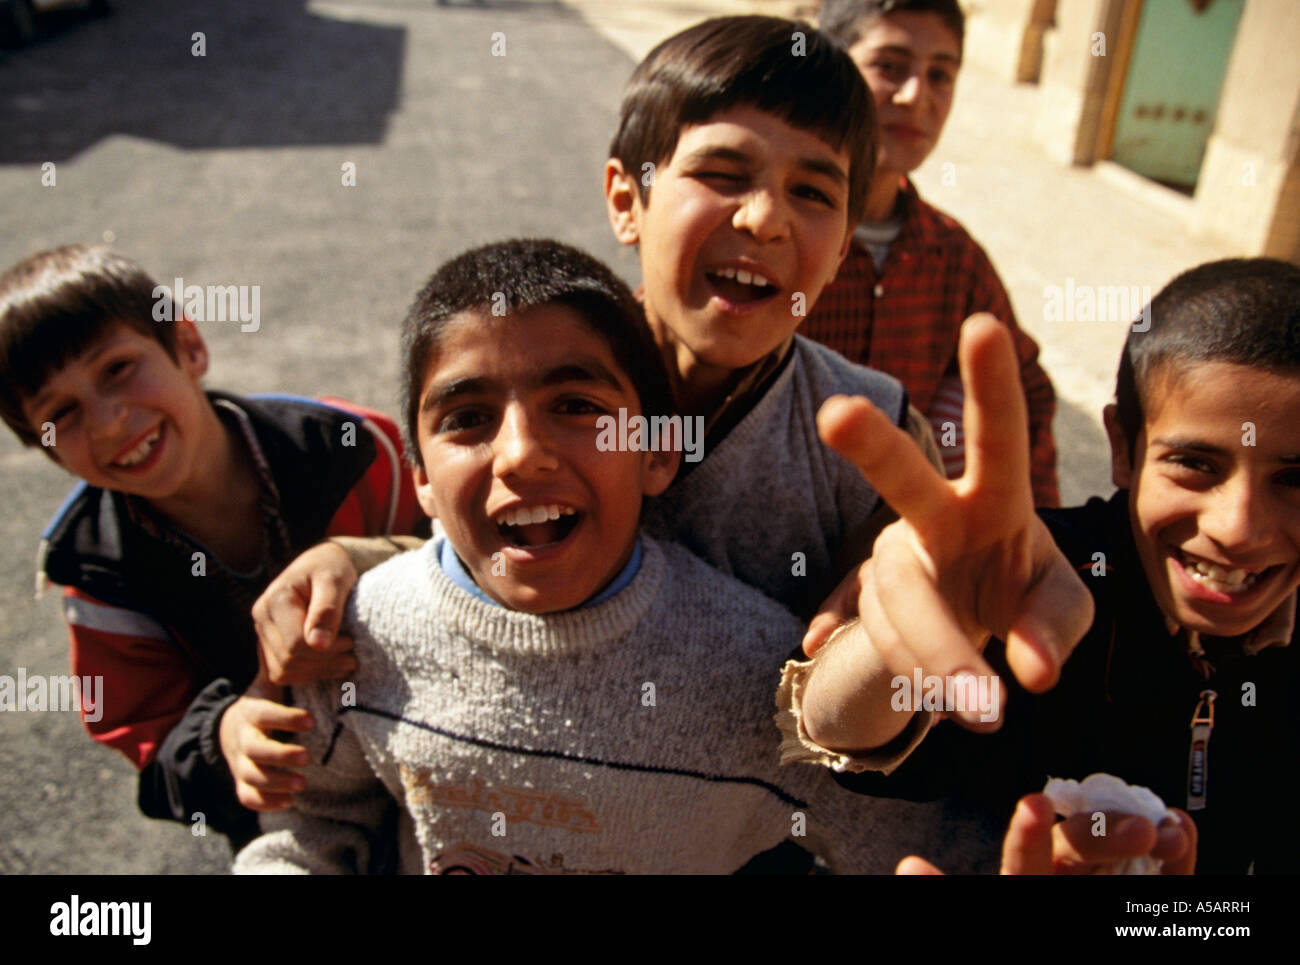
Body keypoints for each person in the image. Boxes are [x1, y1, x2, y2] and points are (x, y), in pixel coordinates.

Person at [247, 17, 1093, 867]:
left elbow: (825, 721)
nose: (763, 218)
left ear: (841, 248)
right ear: (626, 198)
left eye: (814, 192)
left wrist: (907, 629)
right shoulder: (537, 349)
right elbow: (459, 543)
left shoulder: (871, 441)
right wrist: (354, 563)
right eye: (723, 174)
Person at [233, 239, 927, 874]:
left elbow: (909, 839)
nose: (522, 453)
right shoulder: (356, 636)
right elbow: (310, 825)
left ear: (656, 451)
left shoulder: (753, 677)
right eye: (468, 418)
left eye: (574, 403)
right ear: (421, 479)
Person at [794, 258, 1299, 873]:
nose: (1238, 528)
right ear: (1122, 447)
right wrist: (903, 626)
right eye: (1196, 464)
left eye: (1294, 480)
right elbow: (838, 737)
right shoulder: (1034, 584)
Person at [0, 244, 424, 847]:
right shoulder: (98, 577)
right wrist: (224, 736)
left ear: (188, 347)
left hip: (439, 750)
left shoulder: (353, 449)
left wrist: (360, 557)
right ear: (45, 447)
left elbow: (476, 560)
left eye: (117, 369)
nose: (107, 422)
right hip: (296, 816)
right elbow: (154, 745)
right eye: (62, 413)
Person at [807, 0, 1059, 506]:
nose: (917, 94)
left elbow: (1024, 388)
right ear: (831, 68)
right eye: (889, 66)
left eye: (941, 75)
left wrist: (1033, 535)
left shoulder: (953, 259)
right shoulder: (778, 234)